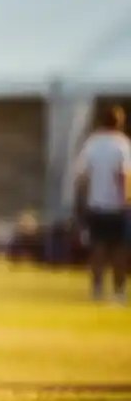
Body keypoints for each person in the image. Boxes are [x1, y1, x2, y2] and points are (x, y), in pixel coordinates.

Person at [74, 106, 131, 302]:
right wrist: (125, 200)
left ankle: (97, 289)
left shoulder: (92, 144)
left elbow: (82, 175)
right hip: (117, 206)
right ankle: (119, 290)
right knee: (119, 250)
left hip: (96, 204)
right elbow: (123, 174)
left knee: (97, 248)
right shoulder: (122, 145)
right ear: (120, 123)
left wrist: (82, 201)